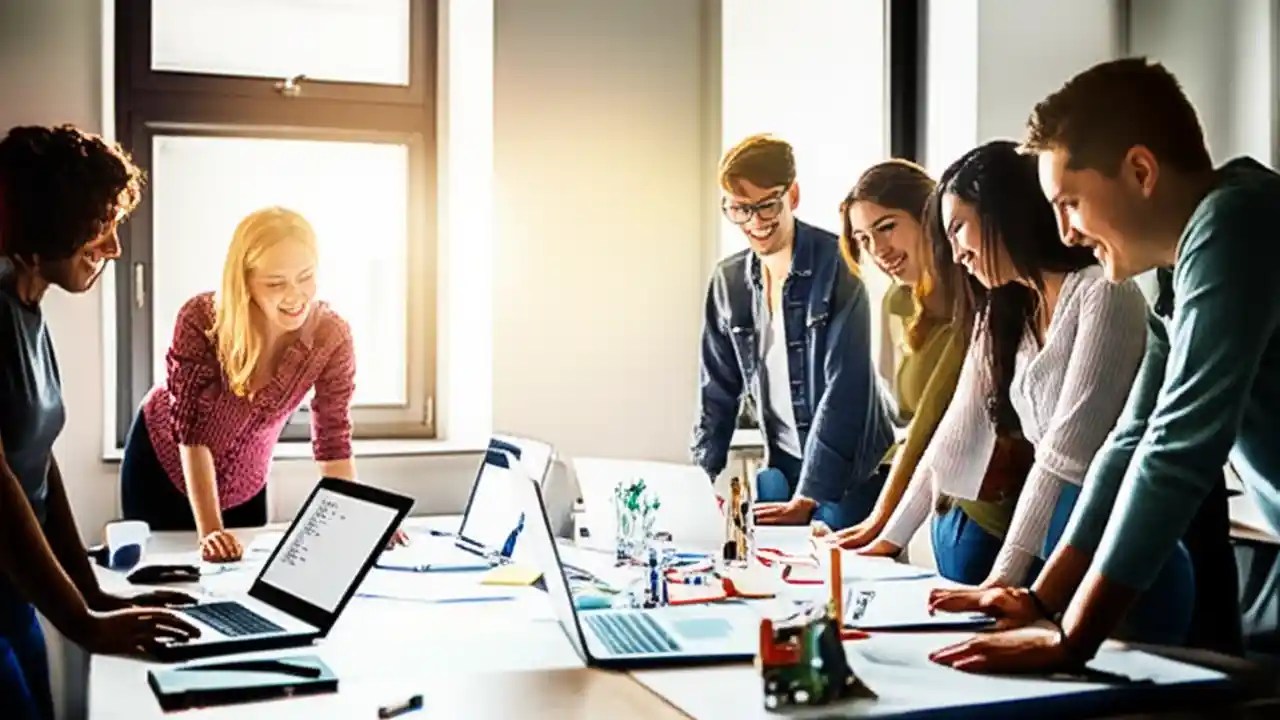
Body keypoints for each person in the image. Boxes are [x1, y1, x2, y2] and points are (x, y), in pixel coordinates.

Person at [929, 57, 1266, 673]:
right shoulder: (1174, 269)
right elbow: (1129, 441)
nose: (1066, 231)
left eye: (1072, 202)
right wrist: (1039, 599)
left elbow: (1178, 447)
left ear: (1140, 171)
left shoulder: (1233, 225)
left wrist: (1070, 639)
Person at [858, 142, 1196, 645]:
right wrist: (884, 542)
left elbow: (1064, 457)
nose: (956, 254)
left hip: (1116, 555)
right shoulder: (1003, 310)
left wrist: (1002, 581)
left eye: (958, 229)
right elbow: (955, 433)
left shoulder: (1102, 293)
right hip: (1056, 551)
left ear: (1002, 214)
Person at [0, 125, 200, 719]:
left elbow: (35, 462)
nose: (114, 247)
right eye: (99, 226)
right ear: (48, 223)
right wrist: (84, 624)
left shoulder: (26, 304)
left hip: (14, 599)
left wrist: (92, 594)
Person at [119, 207, 403, 562]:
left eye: (306, 277)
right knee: (166, 580)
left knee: (242, 583)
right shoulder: (201, 318)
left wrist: (358, 519)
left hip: (245, 480)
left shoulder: (331, 335)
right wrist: (211, 533)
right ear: (245, 282)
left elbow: (333, 438)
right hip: (165, 464)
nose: (295, 295)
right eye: (275, 283)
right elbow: (191, 432)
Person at [824, 160, 1036, 586]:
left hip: (991, 513)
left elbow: (933, 420)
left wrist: (881, 524)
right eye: (864, 239)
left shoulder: (981, 292)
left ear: (929, 214)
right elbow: (907, 421)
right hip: (944, 507)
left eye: (886, 227)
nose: (878, 250)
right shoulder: (898, 305)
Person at [691, 134, 893, 531]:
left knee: (844, 580)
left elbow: (845, 388)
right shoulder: (727, 281)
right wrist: (697, 484)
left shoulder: (838, 263)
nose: (755, 222)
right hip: (785, 463)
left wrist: (810, 494)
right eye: (740, 209)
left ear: (793, 195)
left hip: (852, 469)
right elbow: (715, 392)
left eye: (766, 205)